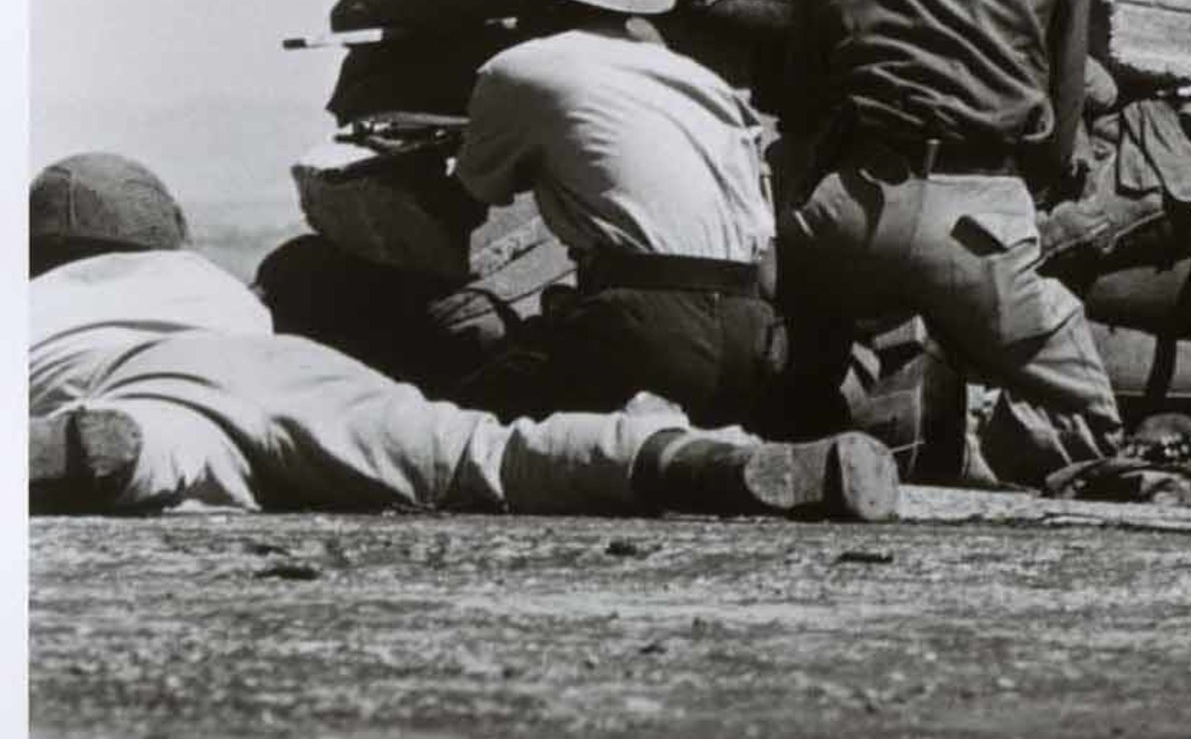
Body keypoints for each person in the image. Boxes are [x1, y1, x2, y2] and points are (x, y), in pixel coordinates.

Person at [28, 153, 895, 521]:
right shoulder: (210, 287)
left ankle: (106, 449)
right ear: (165, 233)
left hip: (136, 387)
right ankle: (705, 462)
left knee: (161, 449)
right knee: (486, 453)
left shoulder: (33, 303)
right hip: (285, 369)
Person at [776, 0, 1121, 487]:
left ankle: (833, 420)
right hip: (979, 221)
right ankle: (959, 442)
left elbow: (801, 109)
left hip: (847, 214)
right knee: (1091, 427)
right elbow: (1058, 137)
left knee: (797, 353)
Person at [446, 0, 784, 428]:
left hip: (644, 331)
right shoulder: (708, 82)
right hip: (753, 340)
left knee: (464, 424)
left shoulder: (522, 68)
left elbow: (470, 197)